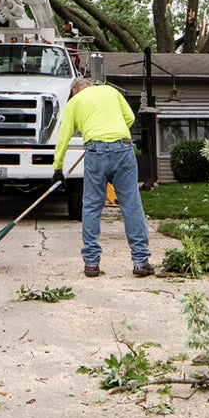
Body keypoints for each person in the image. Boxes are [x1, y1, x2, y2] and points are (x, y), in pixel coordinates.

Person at [53, 76, 153, 278]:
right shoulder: (110, 91)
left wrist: (58, 168)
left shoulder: (74, 102)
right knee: (131, 204)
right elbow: (130, 118)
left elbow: (63, 135)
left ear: (75, 90)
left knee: (91, 206)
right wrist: (112, 134)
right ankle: (141, 261)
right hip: (123, 147)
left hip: (95, 150)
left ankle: (91, 264)